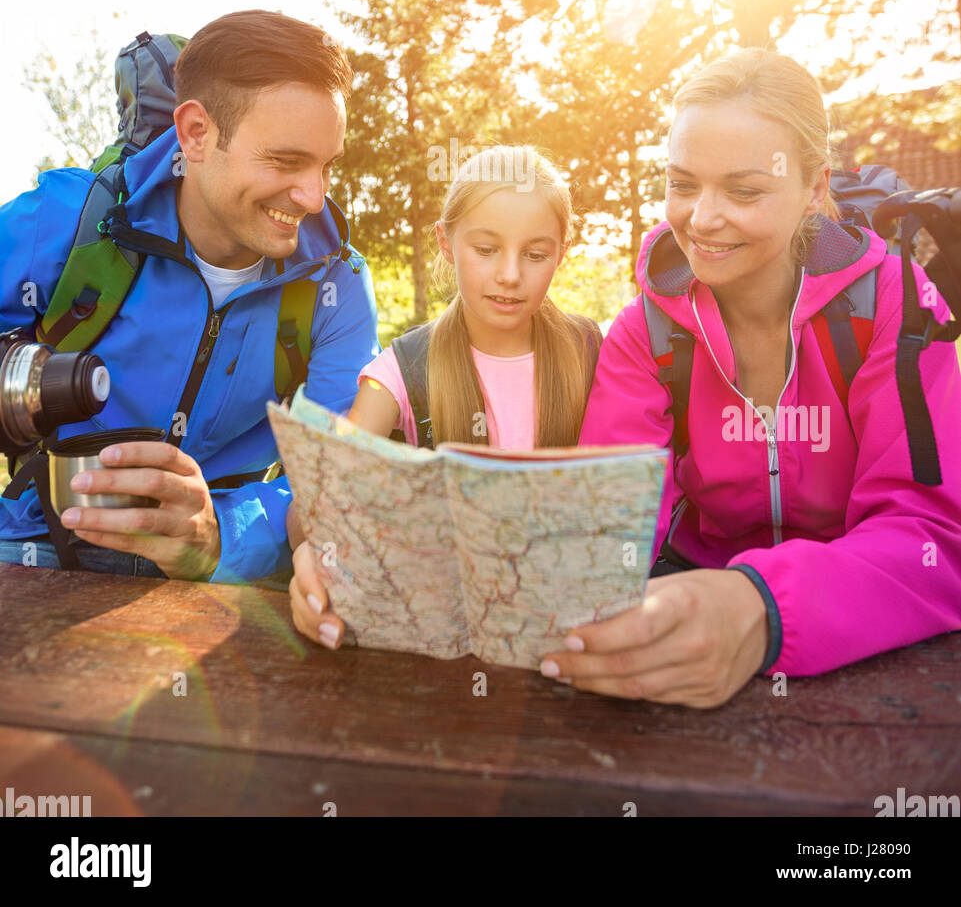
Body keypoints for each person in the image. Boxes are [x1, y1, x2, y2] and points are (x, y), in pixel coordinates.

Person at [539, 48, 961, 706]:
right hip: (686, 600)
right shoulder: (644, 330)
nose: (701, 219)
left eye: (742, 190)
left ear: (814, 188)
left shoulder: (894, 305)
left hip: (869, 644)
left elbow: (932, 541)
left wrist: (763, 605)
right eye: (682, 184)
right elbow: (608, 516)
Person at [0, 10, 379, 584]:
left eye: (327, 165)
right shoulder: (65, 221)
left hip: (227, 583)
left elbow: (337, 485)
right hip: (34, 550)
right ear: (196, 133)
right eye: (285, 161)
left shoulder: (338, 286)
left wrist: (221, 535)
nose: (312, 196)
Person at [287, 144, 602, 647]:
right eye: (486, 249)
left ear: (562, 252)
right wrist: (314, 556)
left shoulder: (594, 353)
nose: (510, 275)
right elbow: (319, 507)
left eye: (536, 254)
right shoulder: (400, 370)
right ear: (445, 241)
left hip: (565, 636)